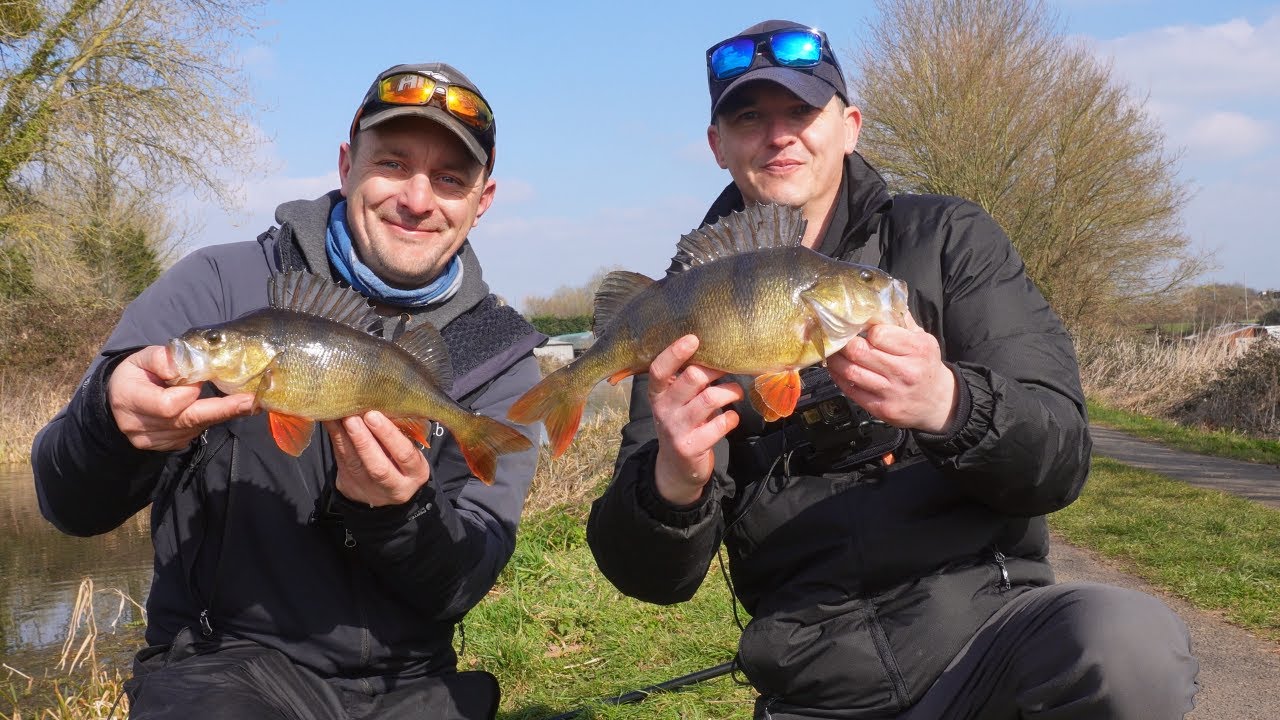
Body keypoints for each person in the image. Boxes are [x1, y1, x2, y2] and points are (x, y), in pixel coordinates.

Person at [587, 20, 1200, 720]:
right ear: (718, 147)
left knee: (1129, 648)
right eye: (749, 117)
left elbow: (1061, 459)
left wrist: (952, 404)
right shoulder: (683, 305)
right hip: (816, 685)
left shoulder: (949, 241)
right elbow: (645, 578)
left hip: (992, 646)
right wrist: (673, 484)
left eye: (801, 112)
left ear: (848, 126)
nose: (778, 135)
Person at [31, 62, 544, 720]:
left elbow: (463, 585)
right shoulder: (217, 286)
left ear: (484, 198)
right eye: (392, 162)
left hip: (411, 684)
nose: (418, 198)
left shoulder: (499, 355)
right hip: (221, 670)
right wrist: (109, 421)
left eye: (450, 177)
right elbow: (64, 503)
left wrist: (396, 515)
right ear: (346, 164)